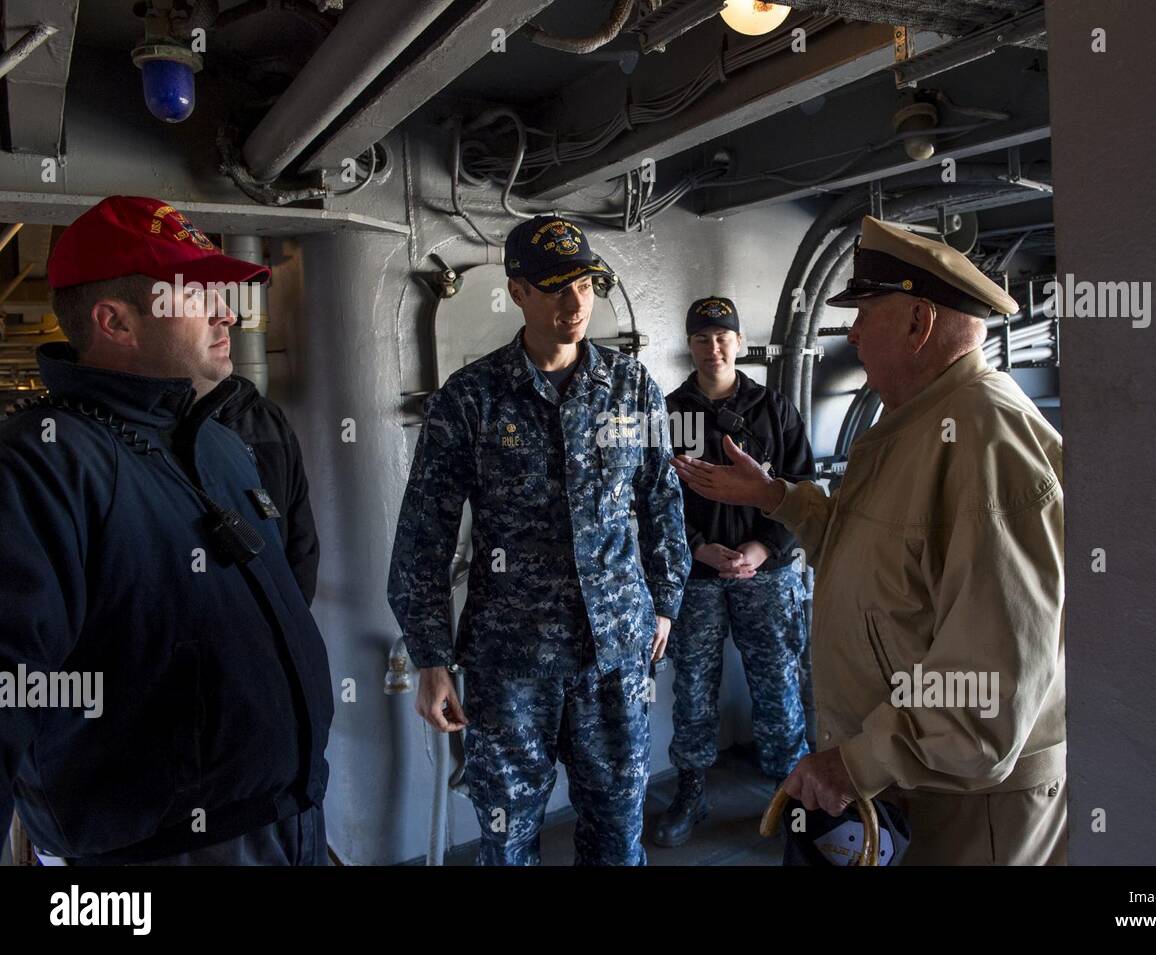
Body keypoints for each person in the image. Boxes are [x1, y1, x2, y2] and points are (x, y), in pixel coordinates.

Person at [673, 215, 1067, 865]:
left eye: (865, 313)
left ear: (919, 323)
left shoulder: (986, 444)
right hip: (908, 792)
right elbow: (872, 557)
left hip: (965, 811)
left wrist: (856, 761)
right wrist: (775, 496)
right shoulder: (914, 424)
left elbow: (987, 694)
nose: (852, 333)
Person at [0, 196, 334, 865]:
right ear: (114, 321)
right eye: (195, 294)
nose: (225, 313)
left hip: (287, 820)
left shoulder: (220, 446)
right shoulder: (40, 463)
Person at [388, 215, 689, 865]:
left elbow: (660, 498)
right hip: (510, 663)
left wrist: (664, 597)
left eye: (584, 282)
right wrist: (431, 654)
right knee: (507, 834)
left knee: (616, 830)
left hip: (613, 653)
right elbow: (423, 534)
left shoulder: (631, 388)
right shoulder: (471, 398)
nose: (575, 301)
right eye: (554, 286)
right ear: (517, 290)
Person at [654, 296, 815, 848]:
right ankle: (691, 791)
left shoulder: (774, 409)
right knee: (693, 688)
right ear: (690, 346)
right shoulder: (668, 413)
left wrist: (762, 548)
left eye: (723, 336)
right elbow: (655, 499)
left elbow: (804, 490)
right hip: (698, 577)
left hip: (765, 574)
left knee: (777, 683)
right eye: (701, 338)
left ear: (740, 343)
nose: (713, 346)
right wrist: (699, 549)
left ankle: (789, 798)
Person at [206, 375, 320, 604]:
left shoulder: (265, 417)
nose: (221, 337)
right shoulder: (151, 425)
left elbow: (300, 525)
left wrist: (295, 611)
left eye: (228, 334)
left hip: (276, 611)